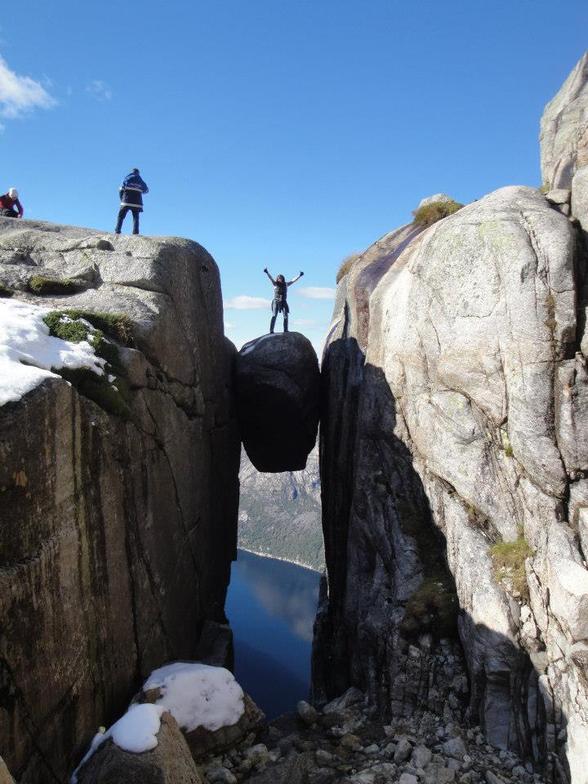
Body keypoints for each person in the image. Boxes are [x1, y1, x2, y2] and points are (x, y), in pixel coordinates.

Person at [263, 268, 304, 333]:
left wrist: (299, 276)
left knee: (285, 316)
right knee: (274, 315)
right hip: (276, 301)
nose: (280, 279)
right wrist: (267, 273)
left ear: (283, 279)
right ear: (277, 279)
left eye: (281, 278)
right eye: (279, 278)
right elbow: (270, 278)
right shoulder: (275, 284)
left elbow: (293, 280)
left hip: (283, 302)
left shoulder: (286, 284)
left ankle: (285, 330)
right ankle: (271, 330)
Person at [115, 168, 149, 235]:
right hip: (137, 203)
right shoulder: (140, 180)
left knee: (121, 216)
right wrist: (139, 191)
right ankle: (135, 232)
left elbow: (121, 189)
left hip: (126, 201)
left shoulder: (127, 178)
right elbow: (146, 190)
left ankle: (117, 230)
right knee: (136, 217)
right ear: (138, 173)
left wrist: (122, 199)